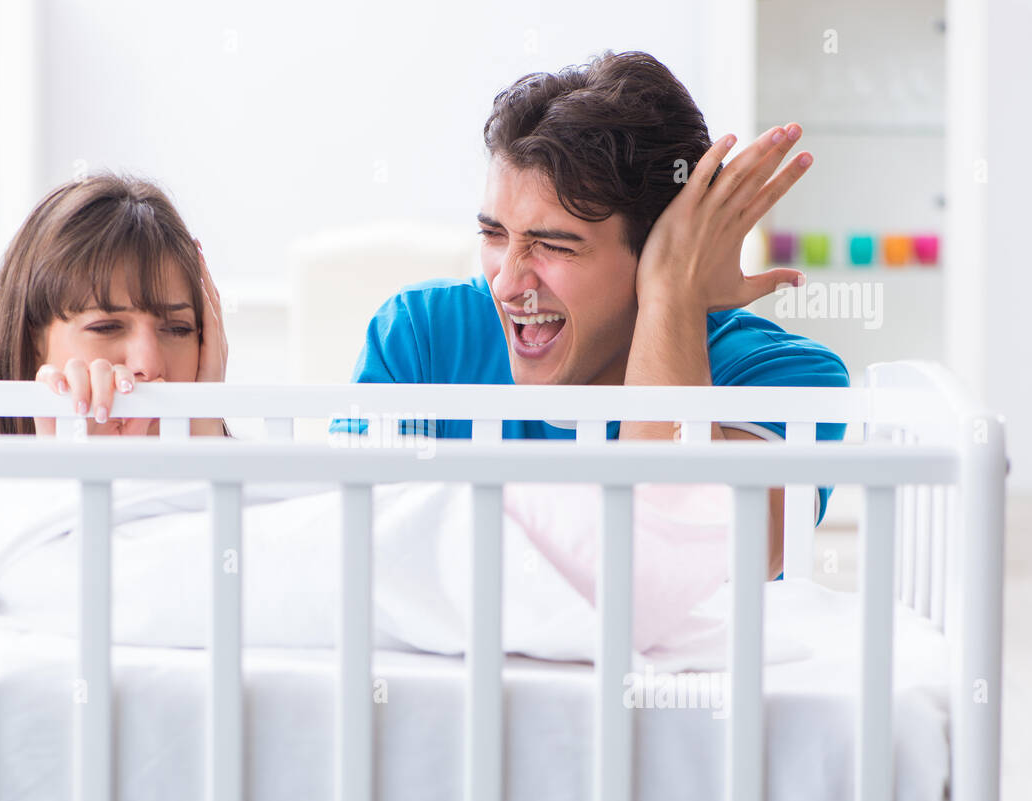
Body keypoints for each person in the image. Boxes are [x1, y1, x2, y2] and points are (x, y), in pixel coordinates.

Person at [331, 50, 850, 581]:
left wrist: (672, 295)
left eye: (553, 246)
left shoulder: (790, 380)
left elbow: (681, 563)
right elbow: (346, 551)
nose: (508, 284)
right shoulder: (422, 335)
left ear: (656, 252)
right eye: (494, 235)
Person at [0, 173, 229, 574]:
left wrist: (205, 438)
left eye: (178, 329)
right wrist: (55, 487)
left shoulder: (219, 449)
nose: (148, 363)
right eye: (106, 327)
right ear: (31, 339)